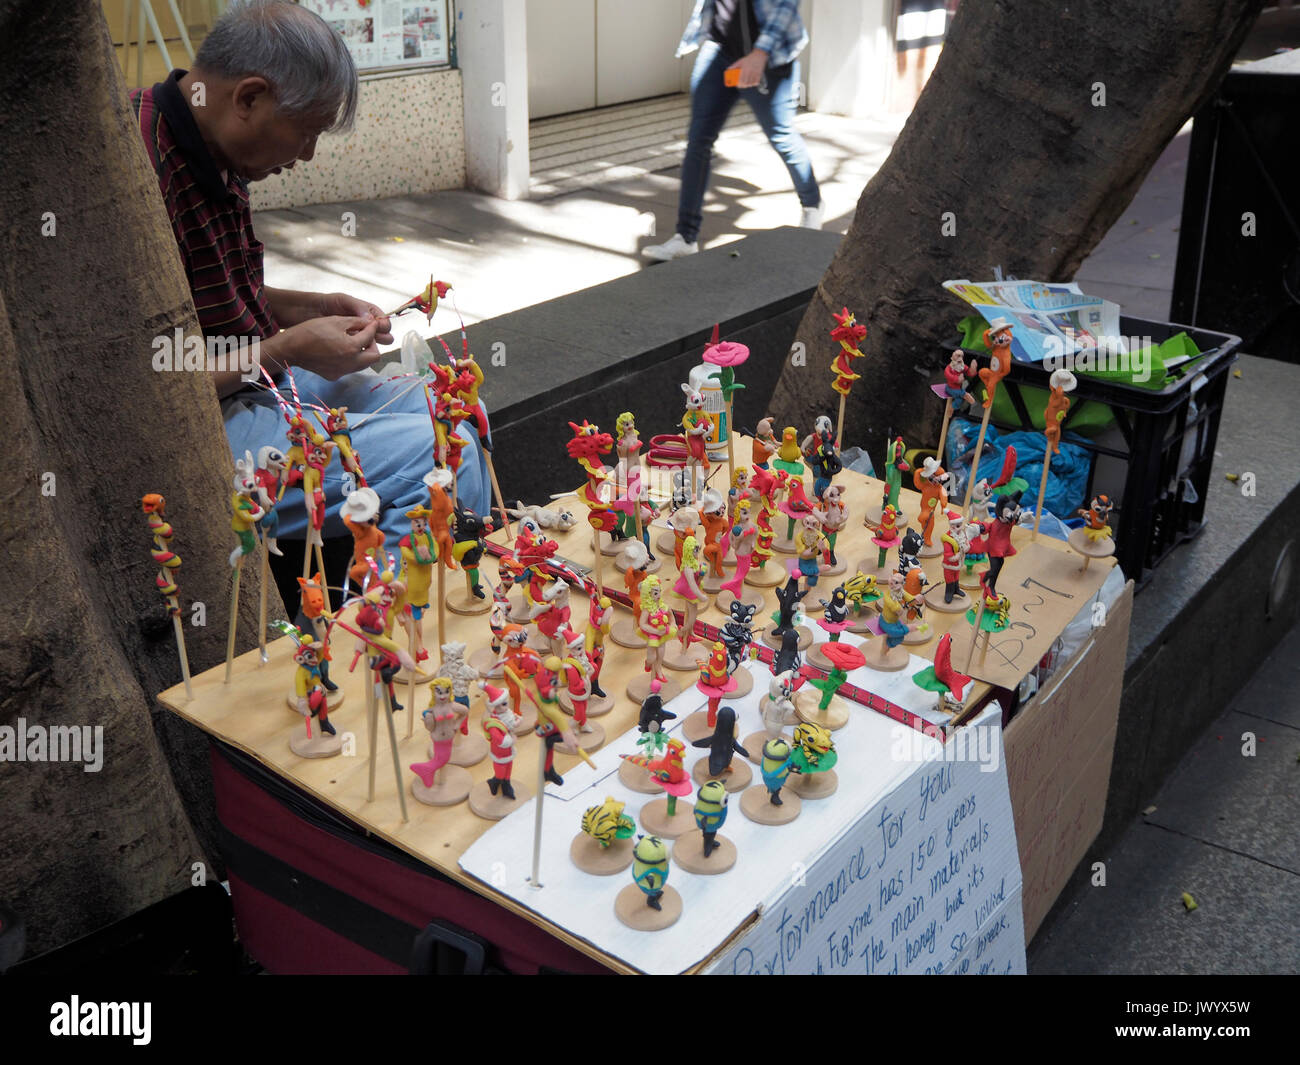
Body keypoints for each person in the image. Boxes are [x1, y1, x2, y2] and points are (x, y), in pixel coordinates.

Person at [130, 0, 488, 544]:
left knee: (460, 404)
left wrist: (311, 309)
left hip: (255, 381)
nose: (309, 155)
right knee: (435, 452)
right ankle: (374, 623)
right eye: (307, 131)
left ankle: (431, 598)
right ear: (250, 97)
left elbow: (202, 299)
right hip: (193, 421)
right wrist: (290, 347)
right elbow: (149, 379)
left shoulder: (214, 143)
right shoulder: (138, 167)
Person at [642, 0, 822, 262]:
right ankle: (685, 237)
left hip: (769, 58)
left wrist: (760, 53)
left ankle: (812, 203)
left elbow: (786, 5)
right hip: (721, 50)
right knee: (698, 140)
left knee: (781, 135)